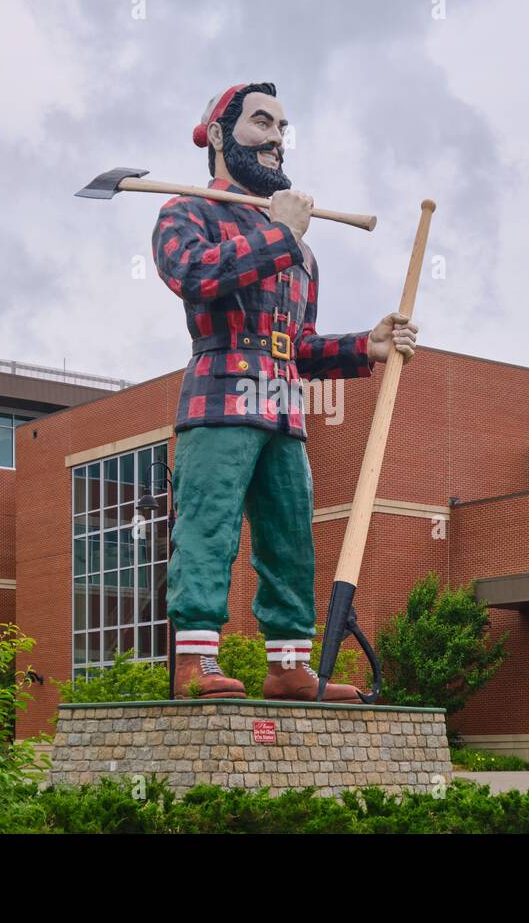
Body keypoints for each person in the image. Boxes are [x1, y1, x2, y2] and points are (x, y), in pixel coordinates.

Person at [152, 82, 418, 702]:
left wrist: (364, 346)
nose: (275, 139)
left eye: (281, 127)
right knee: (207, 528)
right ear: (218, 135)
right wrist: (278, 237)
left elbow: (295, 344)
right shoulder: (184, 214)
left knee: (291, 537)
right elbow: (193, 275)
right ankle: (195, 661)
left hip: (283, 412)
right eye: (261, 123)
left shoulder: (301, 251)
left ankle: (290, 665)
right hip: (216, 402)